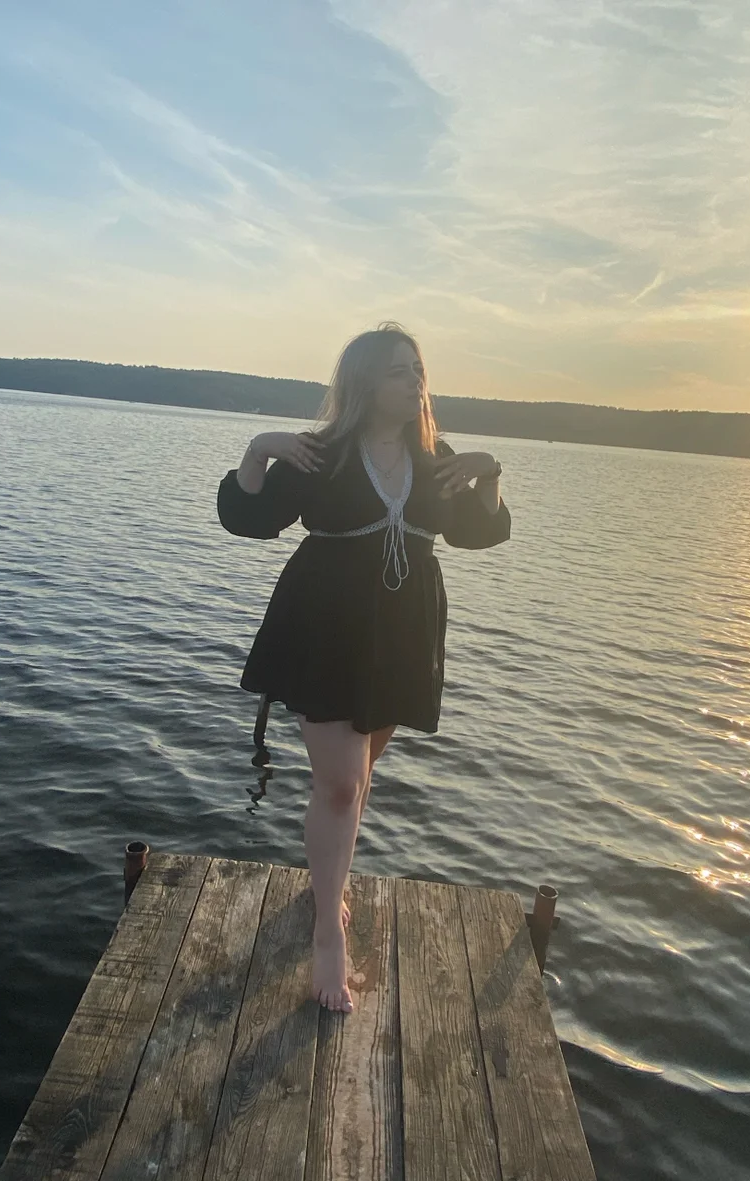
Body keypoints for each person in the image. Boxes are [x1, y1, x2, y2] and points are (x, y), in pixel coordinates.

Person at [216, 323, 511, 1014]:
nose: (414, 382)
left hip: (402, 636)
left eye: (418, 370)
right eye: (398, 371)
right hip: (323, 629)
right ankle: (327, 931)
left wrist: (490, 473)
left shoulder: (434, 458)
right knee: (342, 782)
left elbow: (477, 532)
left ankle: (331, 881)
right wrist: (258, 449)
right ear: (364, 382)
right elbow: (249, 518)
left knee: (358, 773)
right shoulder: (319, 453)